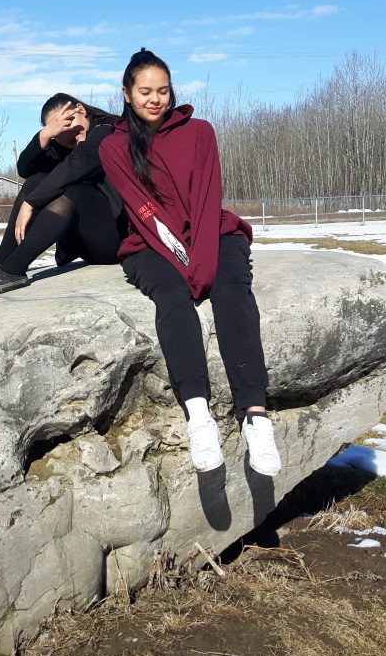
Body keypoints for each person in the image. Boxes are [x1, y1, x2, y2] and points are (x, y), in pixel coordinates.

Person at [98, 49, 281, 476]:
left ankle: (256, 416)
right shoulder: (114, 146)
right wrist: (181, 262)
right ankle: (199, 416)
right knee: (172, 298)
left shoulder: (200, 131)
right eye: (145, 91)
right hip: (149, 241)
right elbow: (143, 208)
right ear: (126, 94)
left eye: (162, 90)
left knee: (232, 290)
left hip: (210, 230)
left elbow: (206, 197)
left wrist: (201, 258)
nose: (155, 99)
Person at [0, 93, 124, 296]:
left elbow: (81, 162)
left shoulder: (110, 128)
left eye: (69, 121)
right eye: (59, 130)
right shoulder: (63, 144)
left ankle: (14, 268)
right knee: (36, 180)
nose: (68, 131)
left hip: (117, 239)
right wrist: (44, 136)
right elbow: (26, 170)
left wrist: (31, 203)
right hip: (87, 243)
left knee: (72, 190)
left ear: (80, 109)